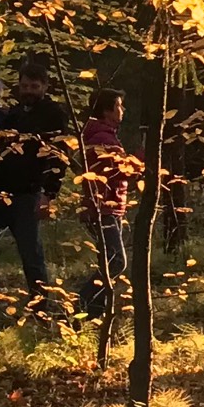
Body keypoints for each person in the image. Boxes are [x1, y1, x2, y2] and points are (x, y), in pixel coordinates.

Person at [0, 63, 71, 317]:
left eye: (34, 87)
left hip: (27, 194)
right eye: (24, 86)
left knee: (31, 255)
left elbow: (59, 157)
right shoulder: (10, 114)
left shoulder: (54, 114)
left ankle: (40, 308)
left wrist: (49, 194)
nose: (29, 91)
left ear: (45, 87)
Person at [77, 88, 133, 318]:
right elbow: (119, 172)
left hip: (109, 208)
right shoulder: (102, 138)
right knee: (116, 261)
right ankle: (82, 305)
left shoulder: (105, 135)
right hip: (103, 209)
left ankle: (94, 314)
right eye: (119, 105)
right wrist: (142, 157)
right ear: (107, 111)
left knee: (109, 261)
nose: (123, 110)